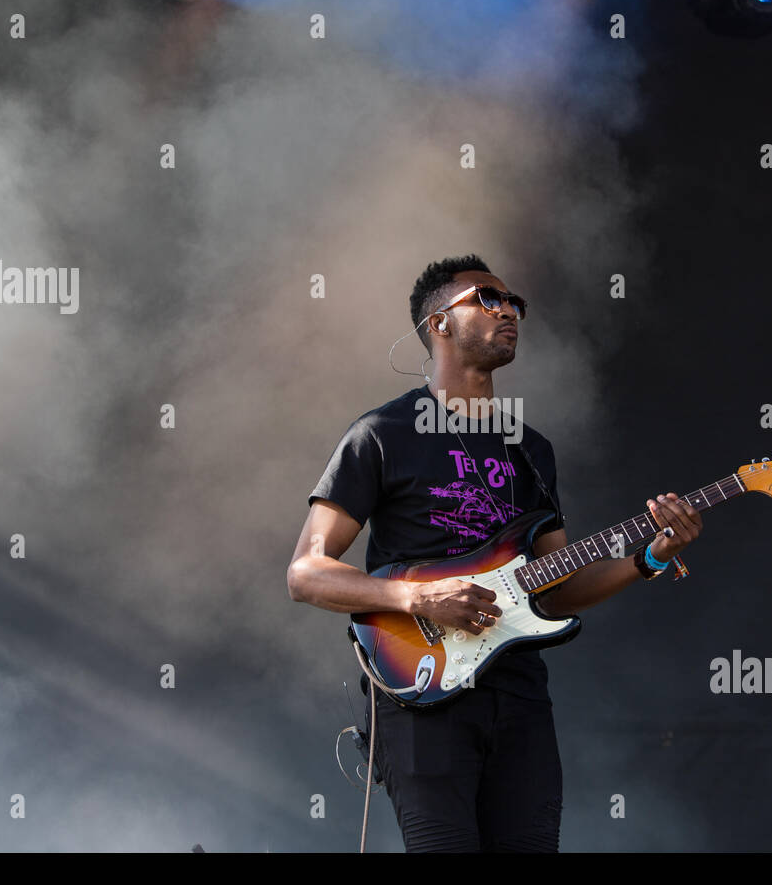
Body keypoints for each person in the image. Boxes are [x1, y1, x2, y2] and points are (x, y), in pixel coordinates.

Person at [286, 254, 702, 852]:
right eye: (487, 298)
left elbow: (556, 586)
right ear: (439, 324)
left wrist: (650, 559)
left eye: (514, 303)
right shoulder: (381, 435)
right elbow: (306, 574)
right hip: (422, 688)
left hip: (519, 693)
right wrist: (422, 595)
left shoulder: (531, 450)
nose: (508, 310)